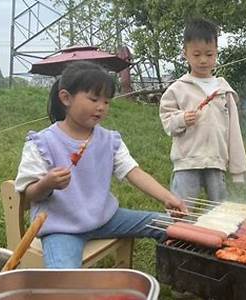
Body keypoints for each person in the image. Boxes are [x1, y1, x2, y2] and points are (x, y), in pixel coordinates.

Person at [15, 61, 188, 268]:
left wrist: (168, 198)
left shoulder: (109, 140)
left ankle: (176, 278)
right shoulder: (42, 143)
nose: (101, 107)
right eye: (94, 99)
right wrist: (47, 184)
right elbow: (27, 195)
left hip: (106, 217)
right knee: (63, 277)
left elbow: (133, 172)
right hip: (62, 227)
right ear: (66, 98)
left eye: (107, 101)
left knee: (170, 226)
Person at [159, 18, 246, 202]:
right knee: (181, 209)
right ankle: (178, 231)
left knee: (219, 211)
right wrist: (181, 119)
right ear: (185, 53)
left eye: (209, 54)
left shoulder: (223, 90)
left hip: (216, 161)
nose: (203, 60)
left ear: (216, 53)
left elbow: (234, 132)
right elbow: (167, 121)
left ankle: (216, 231)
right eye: (196, 54)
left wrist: (237, 170)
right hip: (187, 161)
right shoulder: (177, 88)